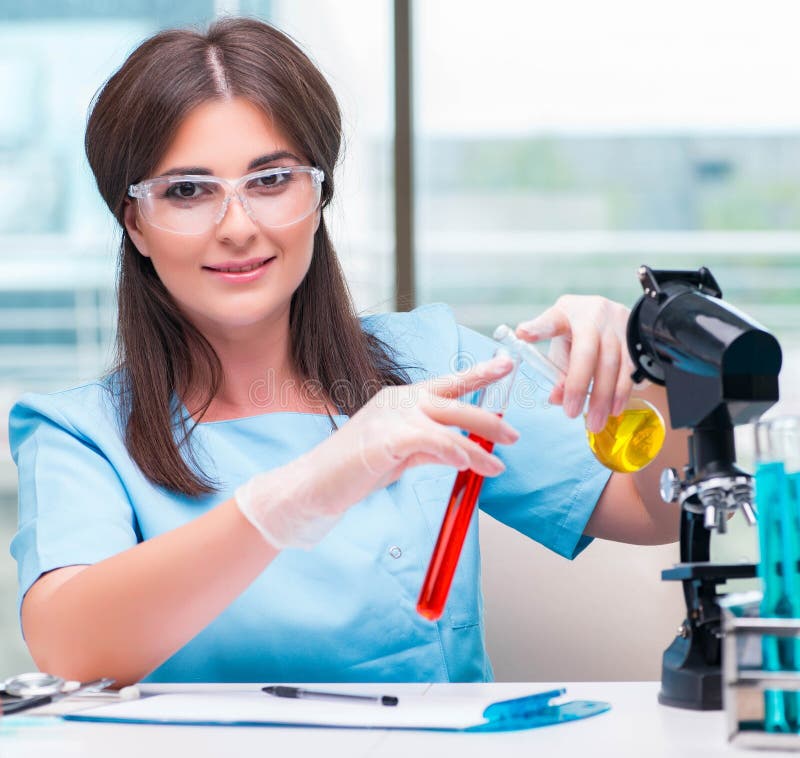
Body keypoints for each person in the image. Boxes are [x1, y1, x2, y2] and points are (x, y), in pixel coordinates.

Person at [9, 18, 685, 687]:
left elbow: (657, 508)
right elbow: (71, 651)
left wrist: (656, 365)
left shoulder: (437, 364)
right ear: (135, 223)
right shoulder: (82, 434)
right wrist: (311, 485)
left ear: (319, 193)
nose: (238, 228)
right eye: (187, 191)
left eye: (272, 180)